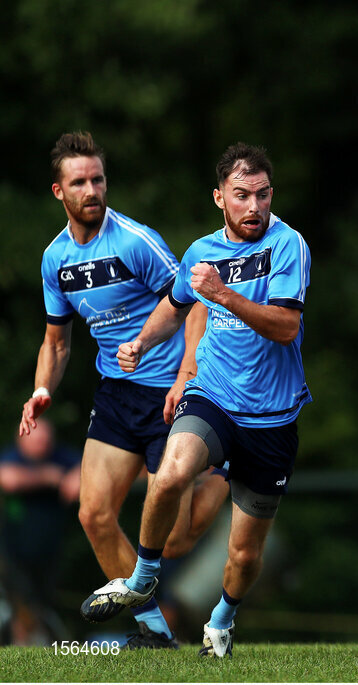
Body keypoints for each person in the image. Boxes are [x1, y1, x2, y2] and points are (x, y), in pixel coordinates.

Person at [78, 142, 312, 659]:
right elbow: (175, 303)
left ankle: (221, 622)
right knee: (170, 473)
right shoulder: (201, 251)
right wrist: (141, 342)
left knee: (244, 554)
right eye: (242, 195)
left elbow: (285, 326)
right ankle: (142, 578)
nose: (254, 206)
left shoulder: (288, 244)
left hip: (271, 418)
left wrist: (224, 293)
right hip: (213, 397)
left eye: (263, 195)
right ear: (219, 198)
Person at [19, 132, 228, 649]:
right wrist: (42, 389)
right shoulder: (55, 259)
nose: (91, 190)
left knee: (172, 541)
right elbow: (56, 342)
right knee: (93, 515)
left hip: (170, 396)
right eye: (79, 182)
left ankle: (225, 472)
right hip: (116, 395)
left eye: (98, 179)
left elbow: (194, 302)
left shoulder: (135, 241)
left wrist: (186, 376)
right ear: (58, 191)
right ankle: (153, 632)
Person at [0, 418, 80, 644]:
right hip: (14, 550)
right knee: (22, 601)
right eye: (37, 440)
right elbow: (8, 480)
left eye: (46, 439)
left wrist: (75, 476)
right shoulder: (12, 456)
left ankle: (35, 644)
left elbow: (85, 470)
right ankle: (22, 643)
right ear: (21, 441)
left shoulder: (61, 455)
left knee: (43, 603)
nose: (43, 444)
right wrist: (49, 477)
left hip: (51, 549)